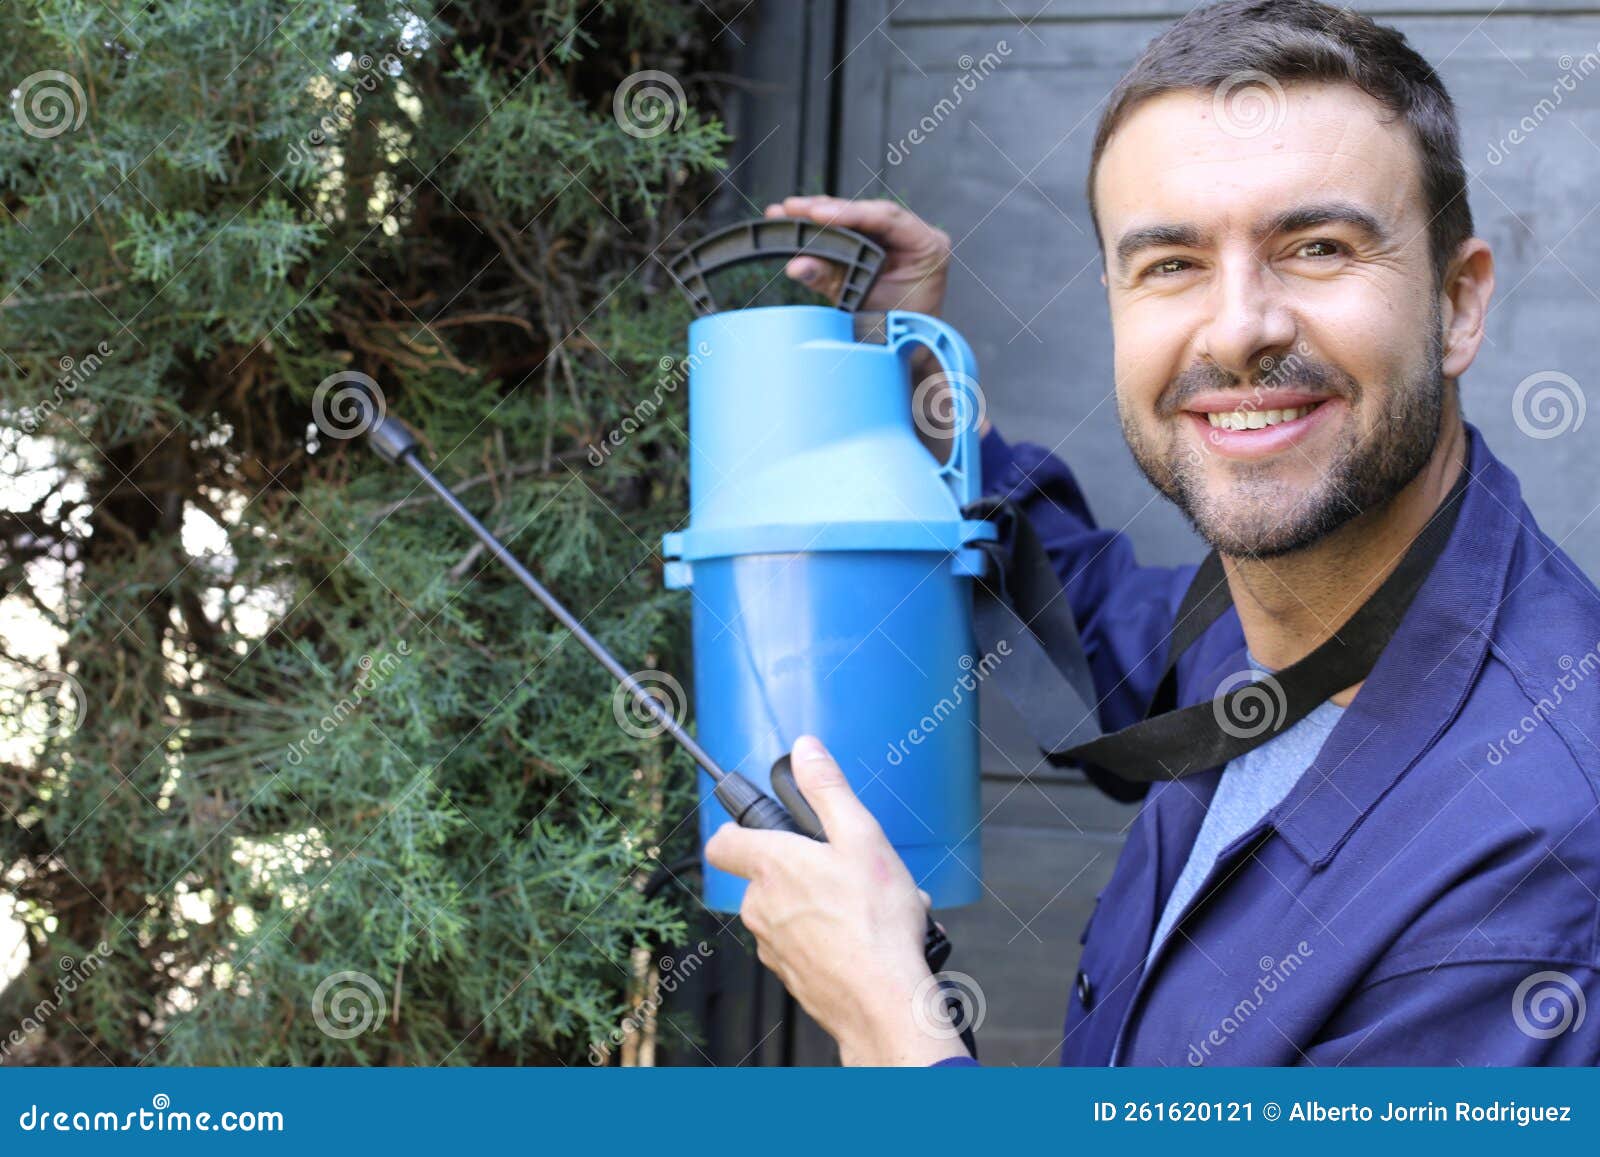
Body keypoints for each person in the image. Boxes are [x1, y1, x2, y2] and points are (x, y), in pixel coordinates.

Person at [706, 0, 1600, 1066]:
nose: (1235, 329)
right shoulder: (1283, 611)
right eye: (1170, 263)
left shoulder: (1538, 857)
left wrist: (890, 1021)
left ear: (1457, 304)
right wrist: (929, 391)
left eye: (1314, 247)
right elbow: (1091, 609)